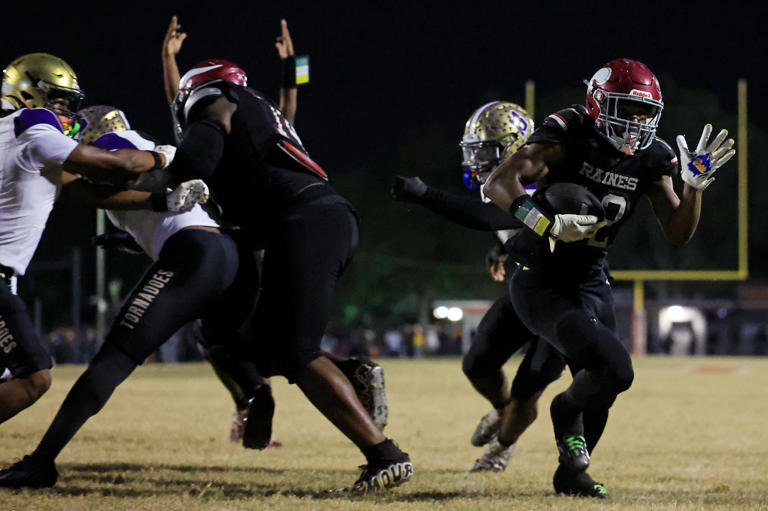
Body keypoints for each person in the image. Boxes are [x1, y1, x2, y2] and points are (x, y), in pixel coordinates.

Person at [121, 58, 412, 492]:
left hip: (306, 223)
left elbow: (197, 155)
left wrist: (150, 178)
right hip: (315, 220)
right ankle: (350, 373)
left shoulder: (216, 100)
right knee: (264, 348)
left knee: (295, 353)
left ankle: (385, 456)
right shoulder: (257, 112)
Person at [482, 58, 735, 497]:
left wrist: (693, 187)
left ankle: (570, 474)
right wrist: (544, 223)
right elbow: (499, 183)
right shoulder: (570, 131)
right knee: (615, 367)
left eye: (644, 113)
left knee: (607, 384)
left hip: (590, 277)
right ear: (598, 104)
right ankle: (564, 412)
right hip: (540, 277)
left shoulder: (652, 157)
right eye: (626, 110)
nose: (636, 123)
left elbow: (678, 232)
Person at [161, 16, 388, 444]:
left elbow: (184, 112)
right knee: (264, 341)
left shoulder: (222, 113)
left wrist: (167, 61)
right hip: (299, 222)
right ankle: (271, 394)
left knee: (245, 338)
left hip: (281, 228)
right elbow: (282, 104)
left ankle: (257, 402)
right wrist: (292, 65)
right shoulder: (263, 118)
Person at [0, 52, 193, 427]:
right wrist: (161, 158)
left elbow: (82, 191)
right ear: (26, 94)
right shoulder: (31, 125)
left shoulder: (15, 137)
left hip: (6, 278)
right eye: (58, 100)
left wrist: (159, 201)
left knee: (8, 378)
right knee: (33, 378)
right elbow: (115, 166)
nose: (65, 111)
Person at [392, 101, 566, 473]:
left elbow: (490, 216)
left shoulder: (550, 182)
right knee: (477, 364)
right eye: (475, 150)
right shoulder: (507, 178)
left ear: (515, 146)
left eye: (485, 150)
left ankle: (501, 447)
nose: (477, 159)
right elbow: (510, 223)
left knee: (527, 389)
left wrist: (425, 195)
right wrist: (501, 247)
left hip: (565, 298)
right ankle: (504, 411)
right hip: (527, 286)